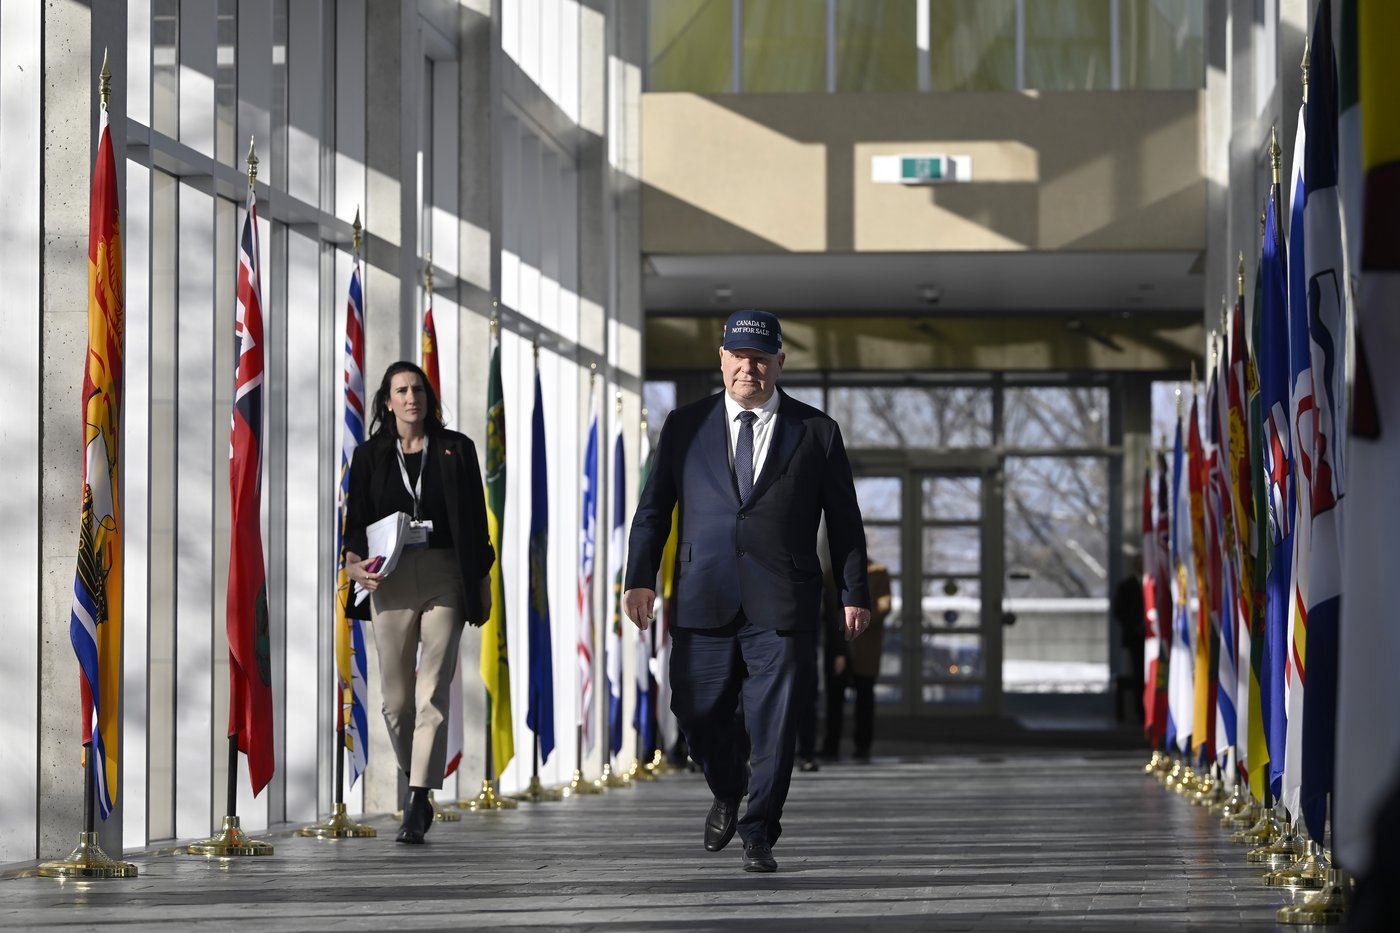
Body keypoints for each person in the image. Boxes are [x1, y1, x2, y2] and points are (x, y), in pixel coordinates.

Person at [622, 310, 871, 873]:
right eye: (738, 355)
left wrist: (853, 591)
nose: (748, 367)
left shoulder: (816, 431)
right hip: (701, 595)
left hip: (783, 601)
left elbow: (845, 520)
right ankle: (728, 787)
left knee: (776, 722)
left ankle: (759, 831)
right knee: (694, 708)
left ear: (779, 362)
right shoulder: (684, 426)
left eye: (760, 357)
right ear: (721, 358)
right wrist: (639, 577)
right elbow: (653, 511)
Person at [344, 361, 494, 844]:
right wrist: (351, 565)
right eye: (402, 391)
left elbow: (476, 521)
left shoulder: (456, 450)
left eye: (419, 389)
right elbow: (355, 523)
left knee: (431, 691)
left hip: (445, 575)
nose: (412, 398)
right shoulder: (370, 456)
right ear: (387, 401)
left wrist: (482, 581)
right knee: (395, 702)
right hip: (388, 580)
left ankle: (414, 799)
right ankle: (420, 784)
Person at [822, 560, 891, 762]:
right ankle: (831, 745)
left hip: (865, 644)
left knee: (865, 699)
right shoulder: (830, 573)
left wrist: (860, 620)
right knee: (834, 698)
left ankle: (863, 746)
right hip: (839, 644)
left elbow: (884, 605)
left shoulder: (879, 572)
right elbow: (827, 607)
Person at [1111, 552, 1146, 724]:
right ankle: (1140, 712)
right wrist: (1135, 626)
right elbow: (1119, 611)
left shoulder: (1155, 583)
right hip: (1135, 639)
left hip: (1153, 637)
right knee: (1138, 674)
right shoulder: (1126, 586)